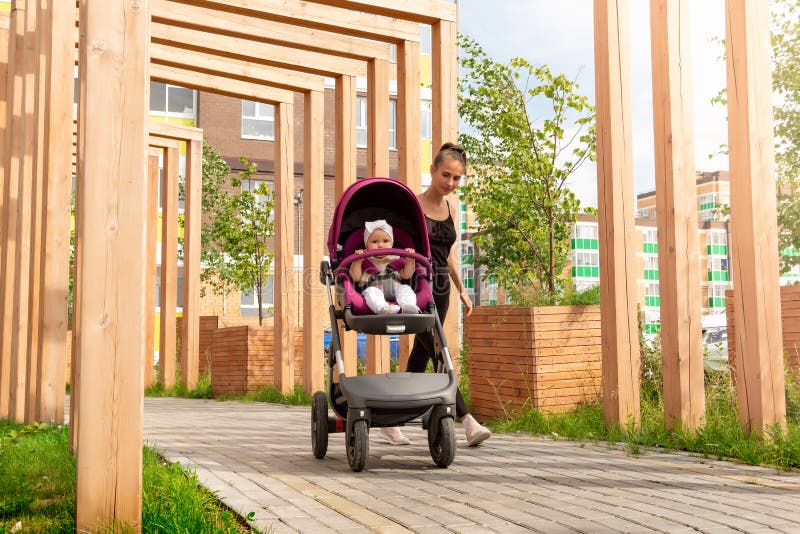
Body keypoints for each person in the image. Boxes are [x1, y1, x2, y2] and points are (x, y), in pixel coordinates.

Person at [377, 143, 492, 447]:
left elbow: (450, 257)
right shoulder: (412, 204)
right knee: (439, 349)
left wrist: (463, 291)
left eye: (456, 178)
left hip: (440, 291)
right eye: (446, 175)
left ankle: (390, 420)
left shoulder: (450, 208)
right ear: (432, 169)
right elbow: (399, 249)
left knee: (420, 356)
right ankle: (467, 420)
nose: (450, 183)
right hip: (415, 288)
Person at [349, 219, 421, 315]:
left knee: (405, 288)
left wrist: (410, 260)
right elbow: (356, 277)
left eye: (385, 241)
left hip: (396, 289)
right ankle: (382, 309)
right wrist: (357, 262)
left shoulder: (396, 258)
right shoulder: (365, 260)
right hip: (375, 288)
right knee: (371, 292)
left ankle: (408, 307)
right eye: (374, 242)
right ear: (366, 245)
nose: (381, 245)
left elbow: (406, 275)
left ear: (392, 243)